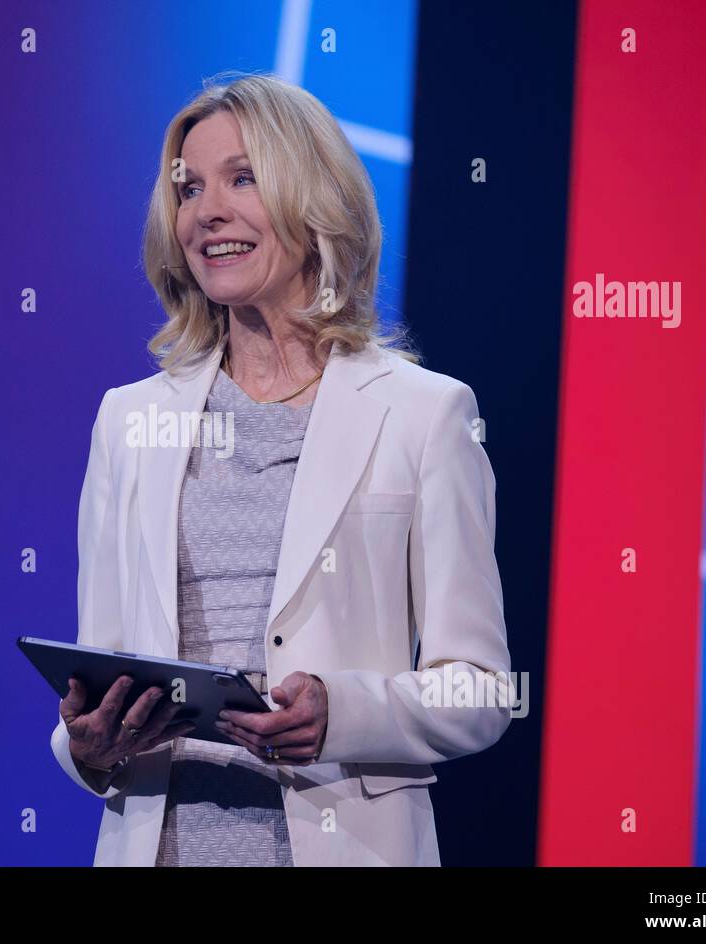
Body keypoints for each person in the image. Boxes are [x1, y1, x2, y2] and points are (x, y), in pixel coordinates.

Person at [50, 72, 511, 866]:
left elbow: (479, 690)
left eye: (243, 178)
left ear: (314, 200)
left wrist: (343, 712)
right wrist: (88, 747)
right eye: (188, 187)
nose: (207, 211)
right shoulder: (128, 421)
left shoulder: (424, 413)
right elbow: (103, 672)